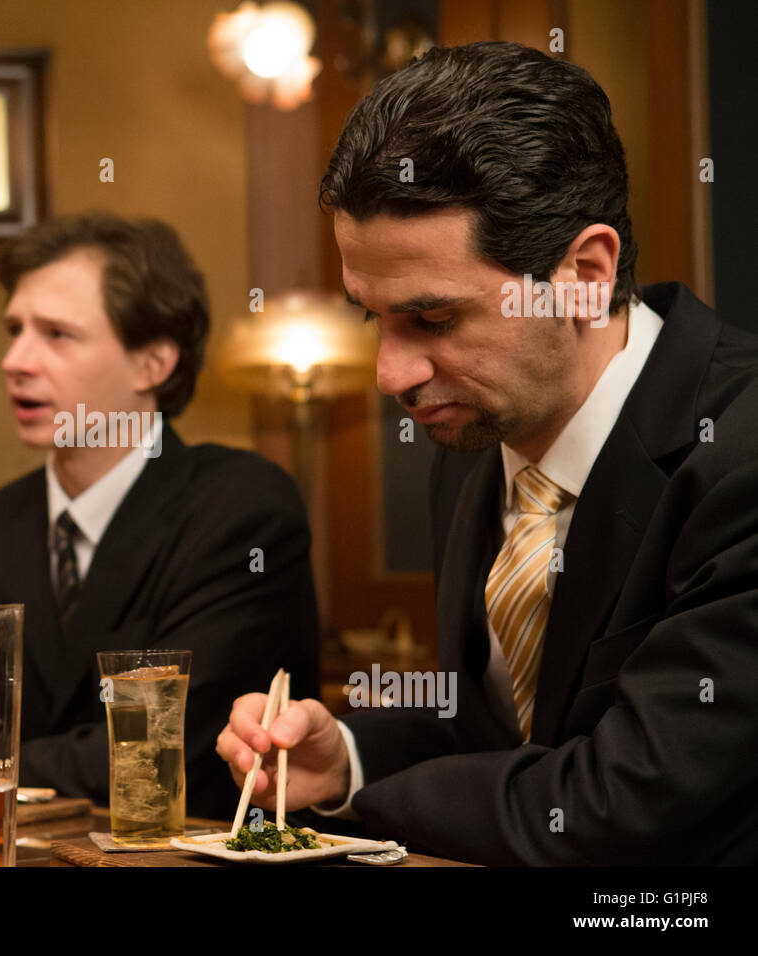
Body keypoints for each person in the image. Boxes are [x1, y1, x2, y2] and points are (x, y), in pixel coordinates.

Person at [218, 41, 758, 865]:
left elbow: (619, 802)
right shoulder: (472, 442)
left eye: (433, 321)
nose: (389, 375)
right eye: (373, 317)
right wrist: (345, 760)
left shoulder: (741, 454)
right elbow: (493, 730)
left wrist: (369, 802)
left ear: (584, 272)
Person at [0, 213, 319, 818]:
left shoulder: (241, 510)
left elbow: (156, 753)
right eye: (14, 329)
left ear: (154, 363)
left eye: (57, 334)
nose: (15, 359)